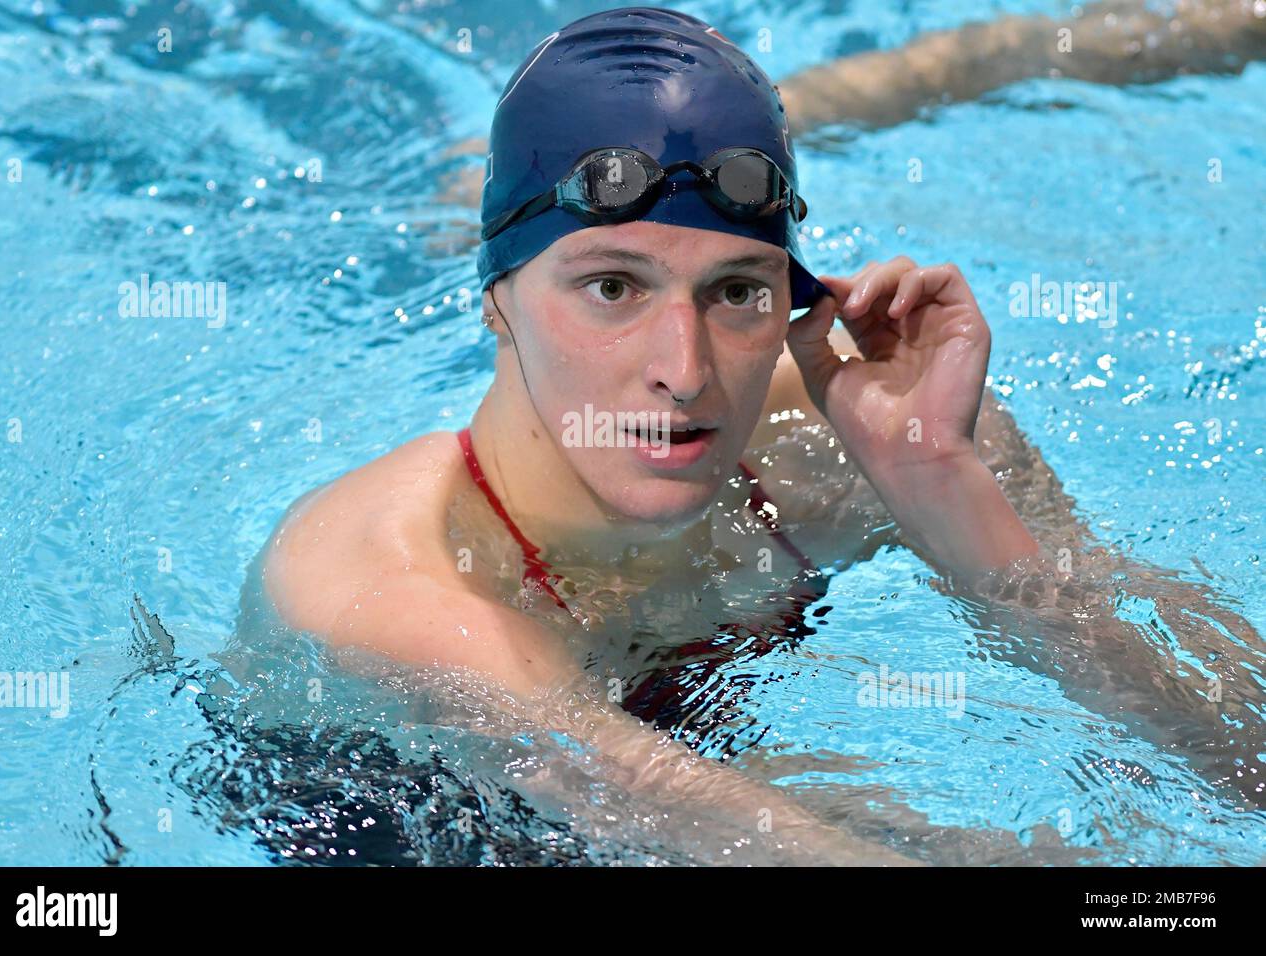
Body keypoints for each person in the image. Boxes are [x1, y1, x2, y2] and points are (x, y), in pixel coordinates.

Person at [257, 6, 1263, 864]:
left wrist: (940, 480)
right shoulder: (410, 591)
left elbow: (1238, 752)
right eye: (612, 287)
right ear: (495, 303)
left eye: (735, 292)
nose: (684, 369)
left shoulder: (820, 444)